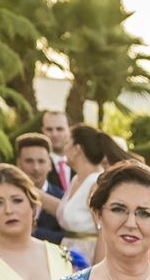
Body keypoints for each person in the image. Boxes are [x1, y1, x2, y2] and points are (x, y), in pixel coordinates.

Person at [57, 125, 119, 258]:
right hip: (68, 251)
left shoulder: (96, 183)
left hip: (87, 255)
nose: (64, 147)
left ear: (77, 149)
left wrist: (96, 271)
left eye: (67, 142)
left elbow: (104, 230)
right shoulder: (76, 179)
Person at [12, 133, 68, 244]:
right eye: (29, 161)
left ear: (50, 165)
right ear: (18, 163)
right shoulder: (7, 197)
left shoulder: (63, 197)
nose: (36, 168)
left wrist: (33, 233)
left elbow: (68, 236)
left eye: (41, 161)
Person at [40, 108, 74, 190]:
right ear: (42, 131)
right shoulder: (37, 164)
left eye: (59, 129)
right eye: (49, 129)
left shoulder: (82, 163)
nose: (54, 134)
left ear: (69, 130)